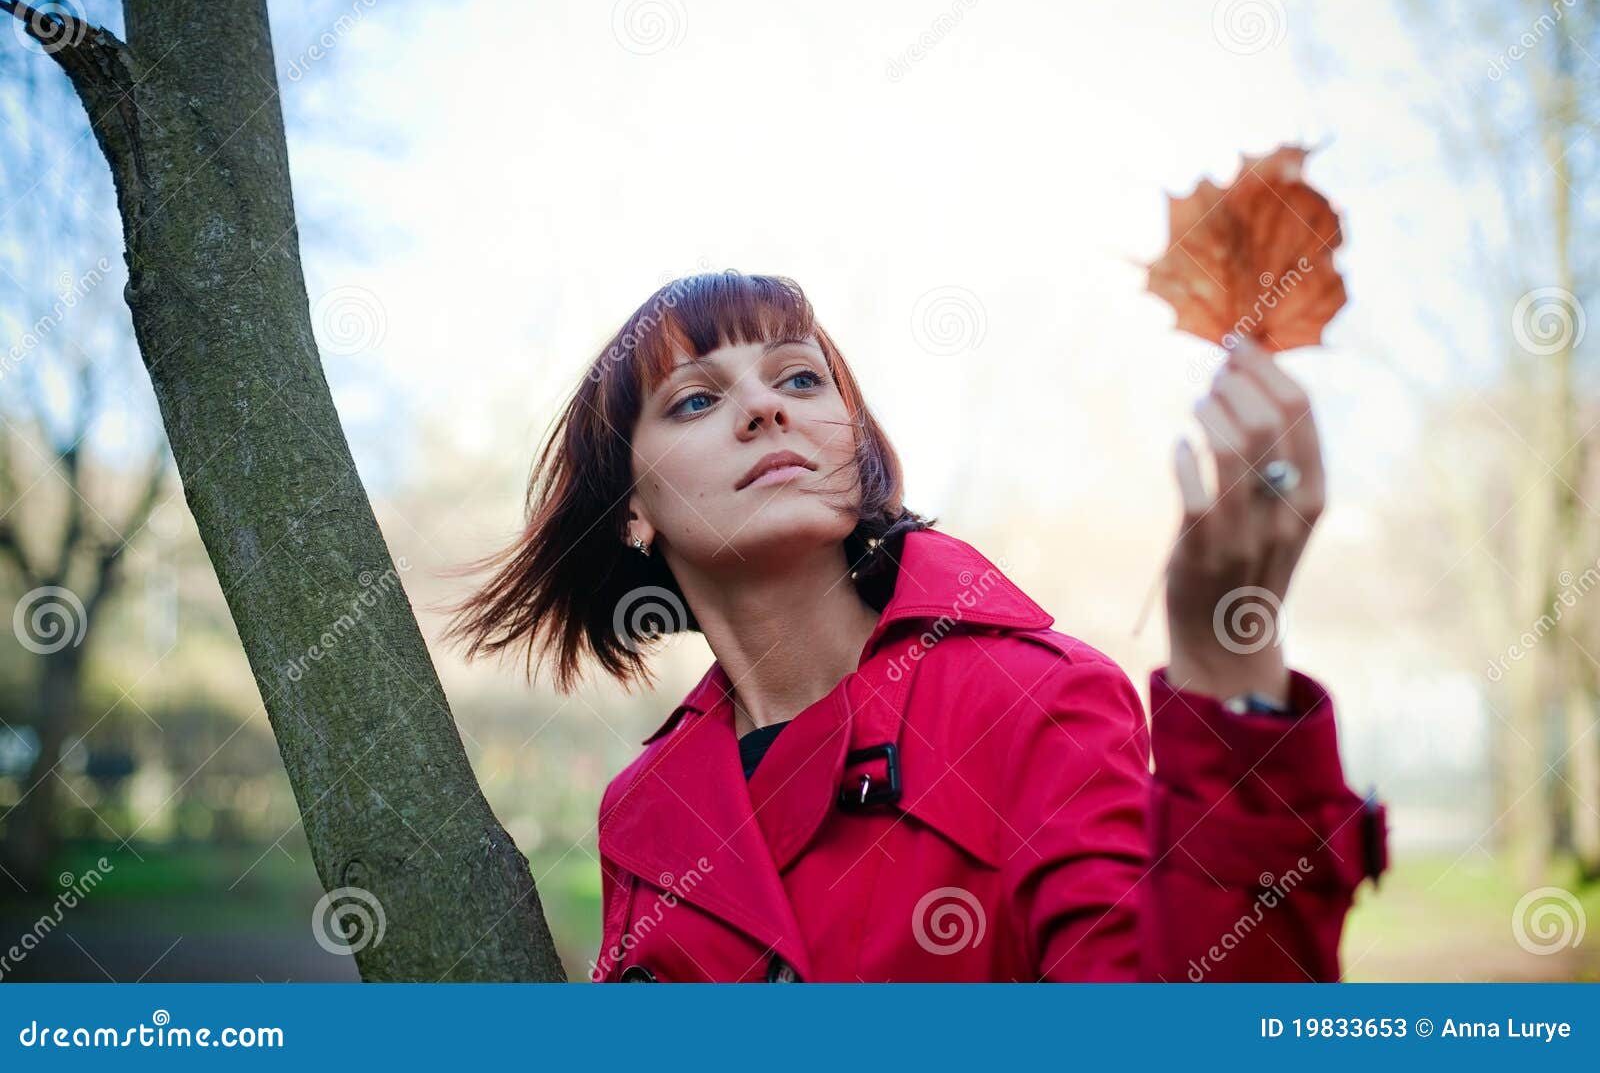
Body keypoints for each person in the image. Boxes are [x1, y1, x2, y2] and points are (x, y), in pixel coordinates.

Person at [447, 271, 1387, 982]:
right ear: (632, 511)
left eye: (799, 379)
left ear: (854, 449)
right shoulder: (641, 807)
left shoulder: (1035, 698)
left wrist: (1230, 678)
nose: (765, 407)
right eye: (697, 398)